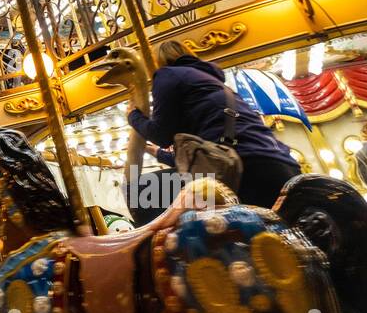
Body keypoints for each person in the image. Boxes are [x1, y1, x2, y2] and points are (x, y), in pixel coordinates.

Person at [128, 41, 300, 208]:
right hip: (283, 164)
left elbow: (161, 135)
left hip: (245, 169)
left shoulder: (166, 75)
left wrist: (133, 116)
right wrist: (154, 152)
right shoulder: (211, 82)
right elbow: (205, 153)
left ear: (157, 61)